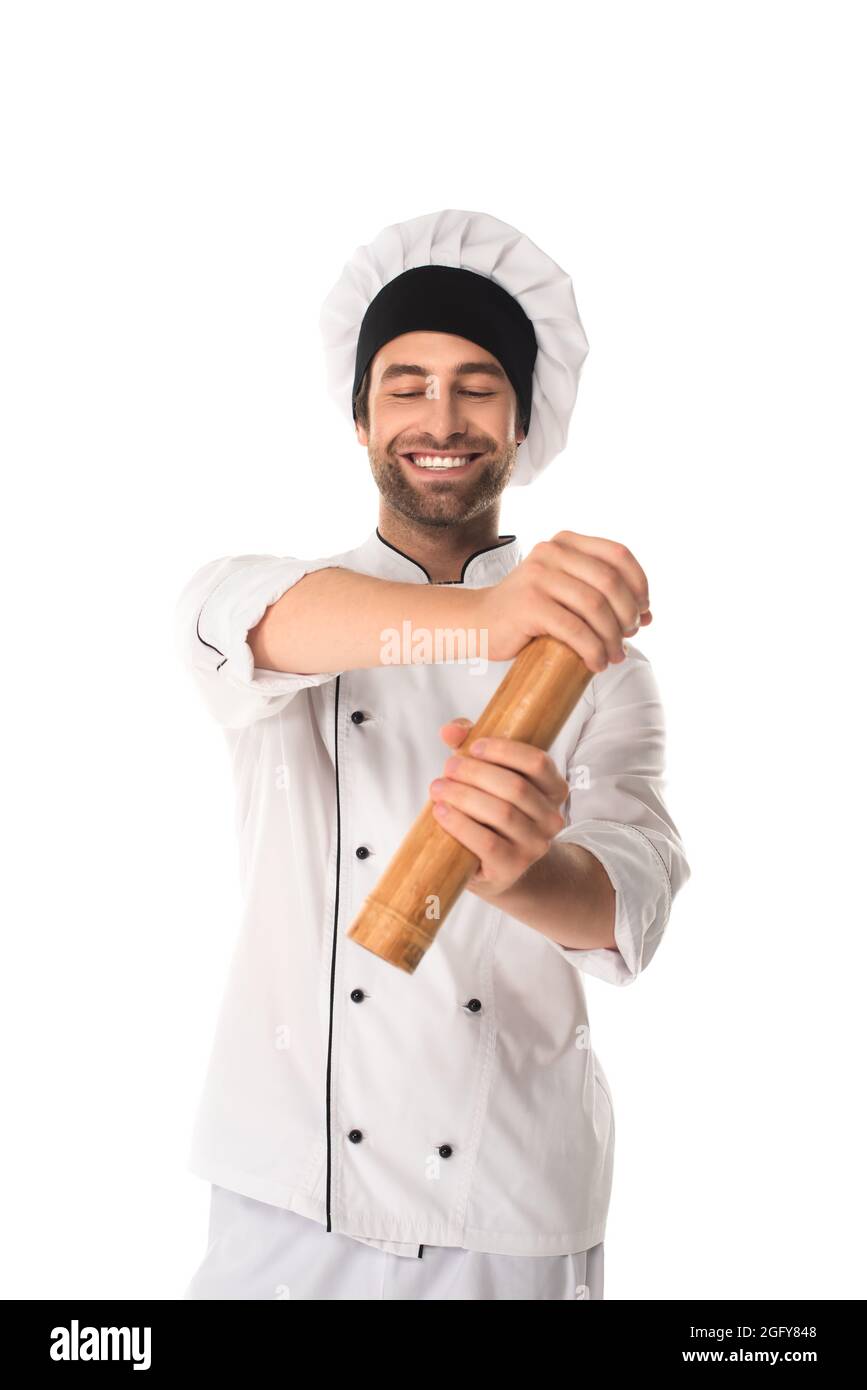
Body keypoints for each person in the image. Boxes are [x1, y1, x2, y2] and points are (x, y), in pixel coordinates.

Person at [176, 209, 691, 1300]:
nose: (439, 416)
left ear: (522, 420)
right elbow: (257, 622)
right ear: (361, 418)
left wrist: (523, 872)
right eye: (404, 385)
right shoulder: (279, 602)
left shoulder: (599, 669)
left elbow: (629, 894)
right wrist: (492, 619)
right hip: (282, 1189)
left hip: (502, 1215)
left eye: (476, 385)